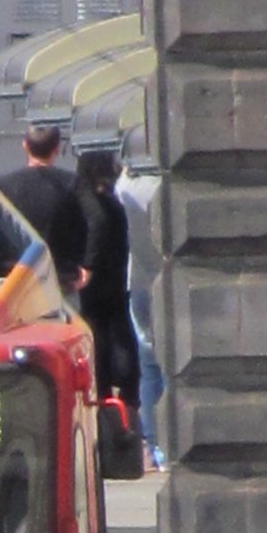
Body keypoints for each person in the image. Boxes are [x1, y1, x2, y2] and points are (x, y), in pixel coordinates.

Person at [75, 148, 141, 420]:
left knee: (98, 334)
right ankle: (128, 391)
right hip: (117, 276)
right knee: (121, 332)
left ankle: (104, 390)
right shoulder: (114, 201)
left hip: (98, 281)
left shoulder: (91, 200)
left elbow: (97, 224)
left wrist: (87, 264)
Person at [0, 123, 90, 293]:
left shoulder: (3, 185)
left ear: (25, 146)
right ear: (57, 149)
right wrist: (86, 264)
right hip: (60, 276)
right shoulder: (72, 183)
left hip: (15, 277)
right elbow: (90, 223)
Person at [116, 160, 166, 467]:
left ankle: (154, 444)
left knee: (148, 366)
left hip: (137, 284)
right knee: (174, 366)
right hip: (168, 283)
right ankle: (174, 442)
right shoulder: (164, 186)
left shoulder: (125, 187)